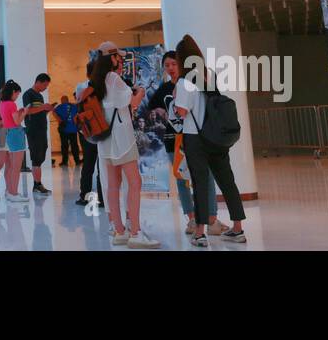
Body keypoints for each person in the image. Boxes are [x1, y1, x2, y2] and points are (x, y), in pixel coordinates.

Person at [174, 35, 246, 247]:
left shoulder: (184, 81)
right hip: (216, 136)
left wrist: (175, 98)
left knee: (200, 184)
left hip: (195, 138)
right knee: (227, 181)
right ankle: (238, 228)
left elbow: (182, 112)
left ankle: (199, 233)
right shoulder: (209, 74)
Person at [89, 43, 159, 248]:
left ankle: (119, 231)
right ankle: (136, 233)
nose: (120, 60)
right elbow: (132, 103)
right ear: (111, 57)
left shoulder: (95, 80)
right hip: (122, 137)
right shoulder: (113, 78)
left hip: (105, 139)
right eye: (118, 57)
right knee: (134, 182)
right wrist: (141, 91)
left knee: (112, 184)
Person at [153, 51, 217, 235]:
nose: (171, 68)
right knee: (182, 179)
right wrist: (160, 111)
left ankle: (211, 217)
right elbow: (152, 108)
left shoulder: (189, 85)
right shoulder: (163, 89)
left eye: (174, 64)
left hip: (194, 138)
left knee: (206, 176)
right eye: (167, 65)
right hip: (173, 141)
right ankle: (191, 219)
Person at [0, 80, 33, 202]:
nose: (17, 96)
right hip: (16, 134)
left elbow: (9, 118)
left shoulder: (2, 103)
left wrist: (19, 112)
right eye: (17, 94)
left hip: (9, 133)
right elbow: (17, 122)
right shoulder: (11, 104)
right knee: (16, 167)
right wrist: (25, 112)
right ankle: (13, 193)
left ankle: (10, 192)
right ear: (13, 92)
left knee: (12, 166)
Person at [21, 74, 55, 196]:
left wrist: (46, 110)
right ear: (38, 82)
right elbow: (27, 111)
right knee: (36, 157)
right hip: (33, 130)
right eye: (45, 85)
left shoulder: (40, 96)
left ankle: (38, 184)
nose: (45, 88)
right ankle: (37, 184)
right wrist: (42, 108)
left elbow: (38, 112)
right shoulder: (28, 94)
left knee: (41, 155)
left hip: (42, 129)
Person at [74, 63, 102, 207]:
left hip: (88, 132)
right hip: (104, 132)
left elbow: (78, 105)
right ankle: (102, 198)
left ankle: (84, 196)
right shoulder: (104, 87)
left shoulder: (81, 87)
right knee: (102, 167)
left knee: (88, 166)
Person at [52, 94, 80, 167]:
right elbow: (77, 114)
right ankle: (77, 161)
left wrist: (59, 120)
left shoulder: (60, 107)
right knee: (74, 146)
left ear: (62, 101)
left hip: (64, 130)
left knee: (64, 146)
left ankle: (64, 162)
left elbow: (53, 112)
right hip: (73, 129)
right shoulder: (73, 106)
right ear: (68, 100)